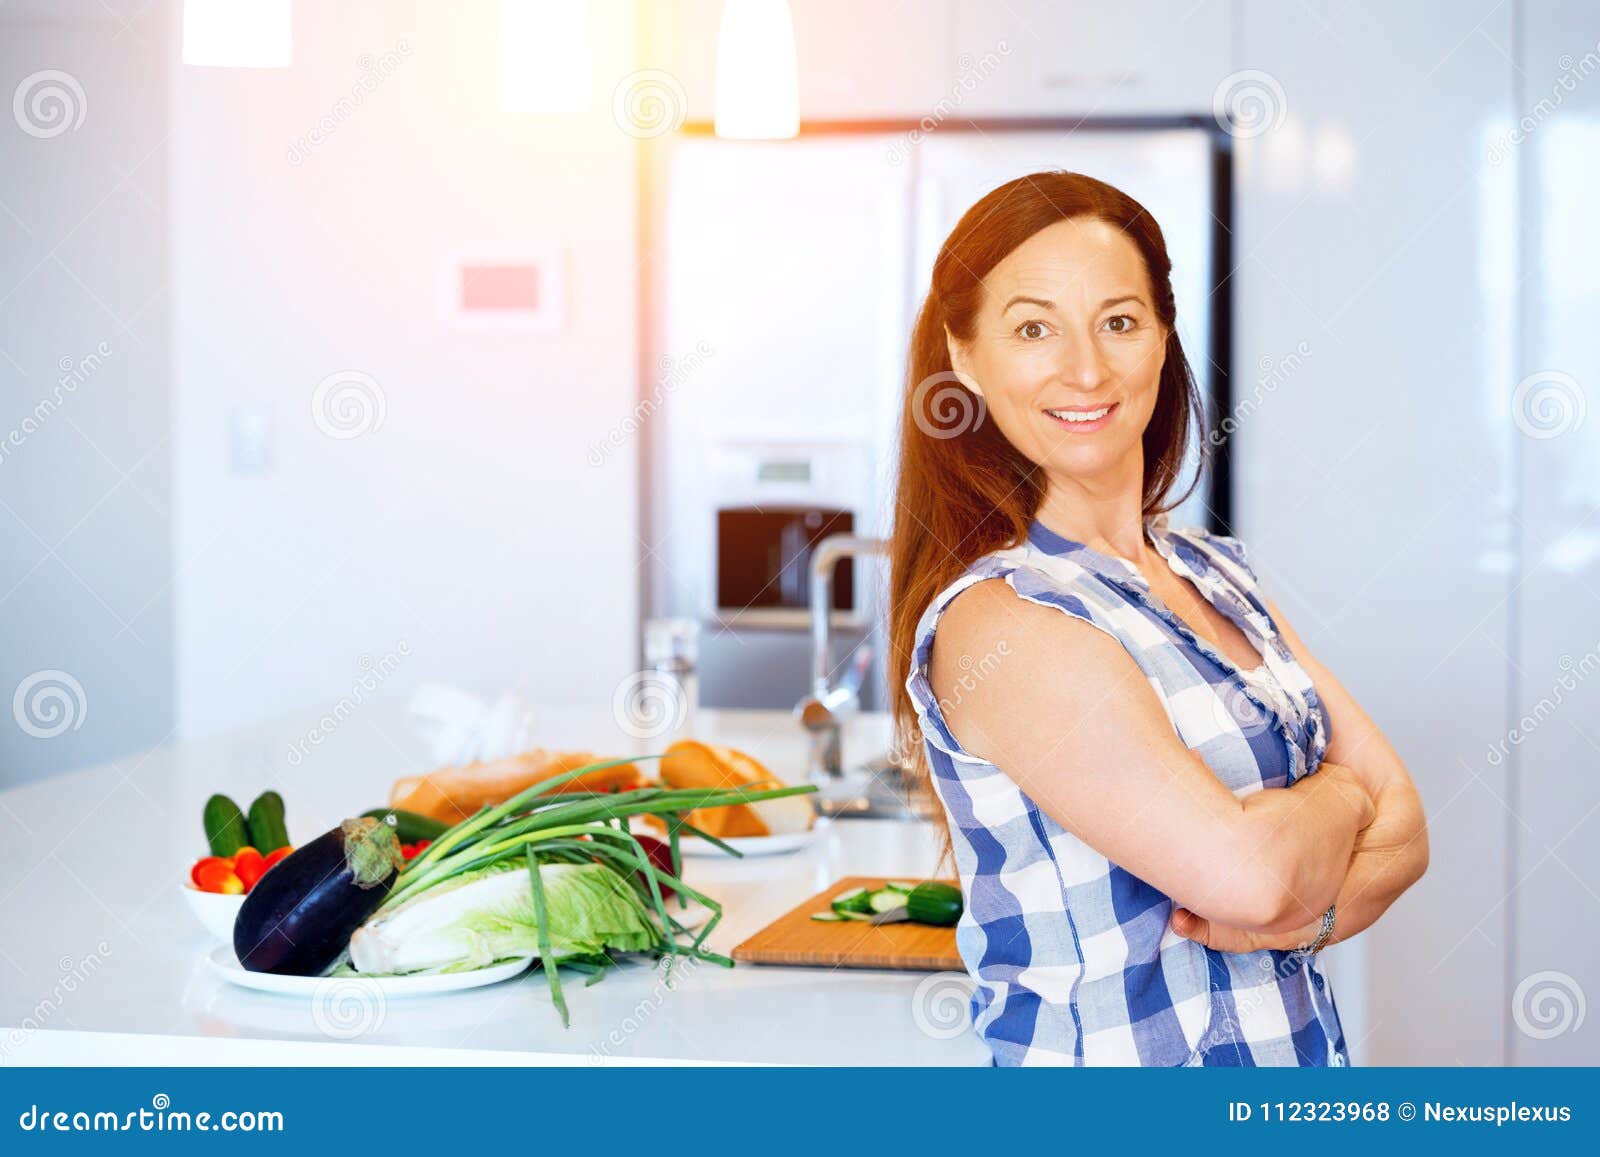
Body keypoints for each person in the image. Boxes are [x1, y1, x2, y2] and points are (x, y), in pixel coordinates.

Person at [888, 170, 1428, 1067]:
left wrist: (1304, 906)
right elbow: (1251, 878)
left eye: (1119, 321)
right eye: (1033, 329)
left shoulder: (1214, 572)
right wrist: (1338, 795)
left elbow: (1407, 828)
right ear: (965, 356)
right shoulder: (1002, 623)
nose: (1087, 368)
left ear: (1163, 337)